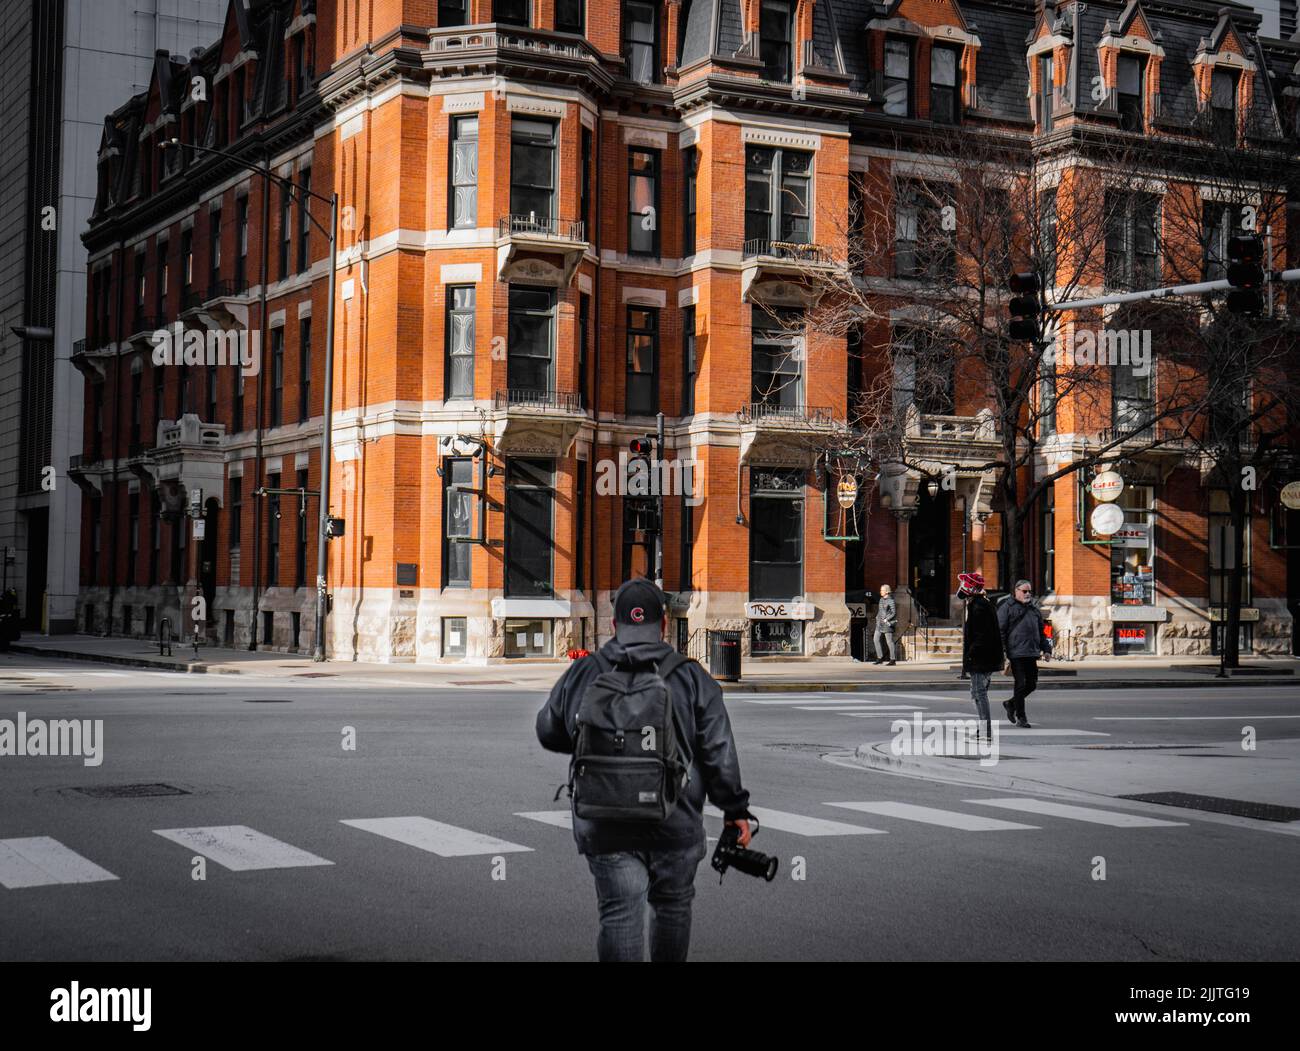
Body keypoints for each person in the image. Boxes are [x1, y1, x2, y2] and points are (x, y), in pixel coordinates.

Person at [535, 578, 753, 962]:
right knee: (672, 905)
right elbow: (718, 750)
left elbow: (549, 731)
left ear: (615, 625)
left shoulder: (586, 671)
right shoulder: (692, 676)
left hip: (605, 820)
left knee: (619, 913)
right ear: (664, 624)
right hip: (676, 819)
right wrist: (735, 810)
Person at [997, 579, 1052, 728]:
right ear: (1016, 591)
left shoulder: (1034, 609)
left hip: (1032, 652)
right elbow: (1000, 631)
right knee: (1020, 684)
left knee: (1032, 684)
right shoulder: (1006, 607)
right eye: (1024, 591)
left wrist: (1046, 649)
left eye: (1029, 591)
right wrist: (1002, 651)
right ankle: (1021, 717)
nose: (1028, 594)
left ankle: (1010, 703)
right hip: (1015, 653)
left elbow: (1041, 633)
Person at [958, 571, 1002, 739]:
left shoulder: (978, 606)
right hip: (985, 657)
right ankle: (983, 729)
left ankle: (985, 730)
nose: (961, 588)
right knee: (977, 693)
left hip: (980, 659)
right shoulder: (982, 604)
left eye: (964, 585)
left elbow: (981, 636)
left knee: (979, 693)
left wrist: (970, 655)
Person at [872, 584, 898, 665]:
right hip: (879, 623)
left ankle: (893, 659)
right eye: (880, 590)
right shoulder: (881, 599)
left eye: (882, 590)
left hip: (886, 623)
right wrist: (877, 617)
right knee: (875, 639)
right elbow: (880, 611)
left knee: (889, 641)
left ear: (887, 591)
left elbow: (894, 613)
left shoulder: (891, 600)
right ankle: (880, 658)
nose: (880, 592)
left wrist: (887, 619)